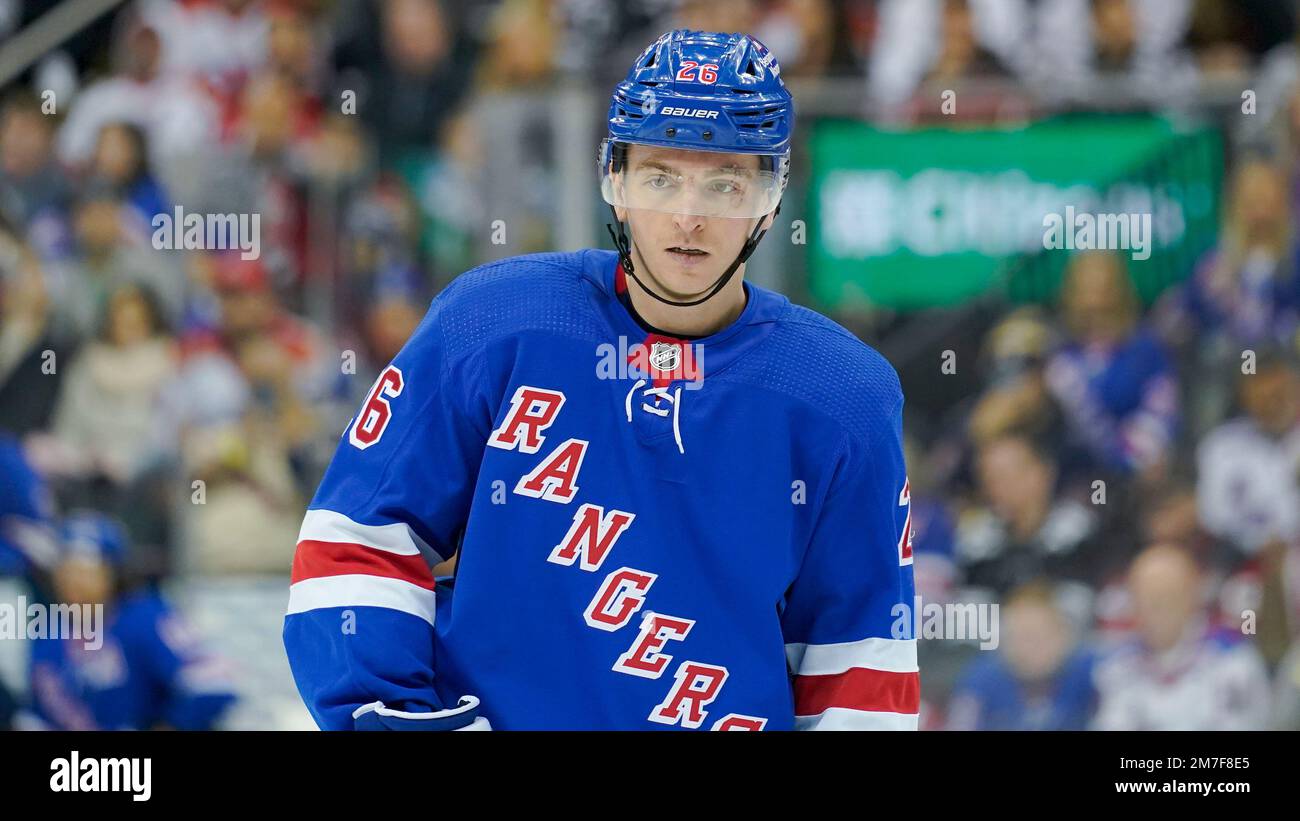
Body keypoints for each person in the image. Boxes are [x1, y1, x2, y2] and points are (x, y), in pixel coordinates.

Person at [283, 30, 919, 731]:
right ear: (613, 179)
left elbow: (859, 666)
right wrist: (397, 718)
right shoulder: (494, 323)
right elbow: (356, 539)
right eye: (660, 176)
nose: (689, 215)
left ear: (771, 198)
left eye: (726, 182)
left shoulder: (842, 397)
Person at [23, 512, 237, 731]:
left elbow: (215, 685)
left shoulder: (147, 618)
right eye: (66, 569)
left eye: (86, 570)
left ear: (114, 572)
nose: (73, 580)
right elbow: (36, 714)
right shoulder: (49, 630)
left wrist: (173, 725)